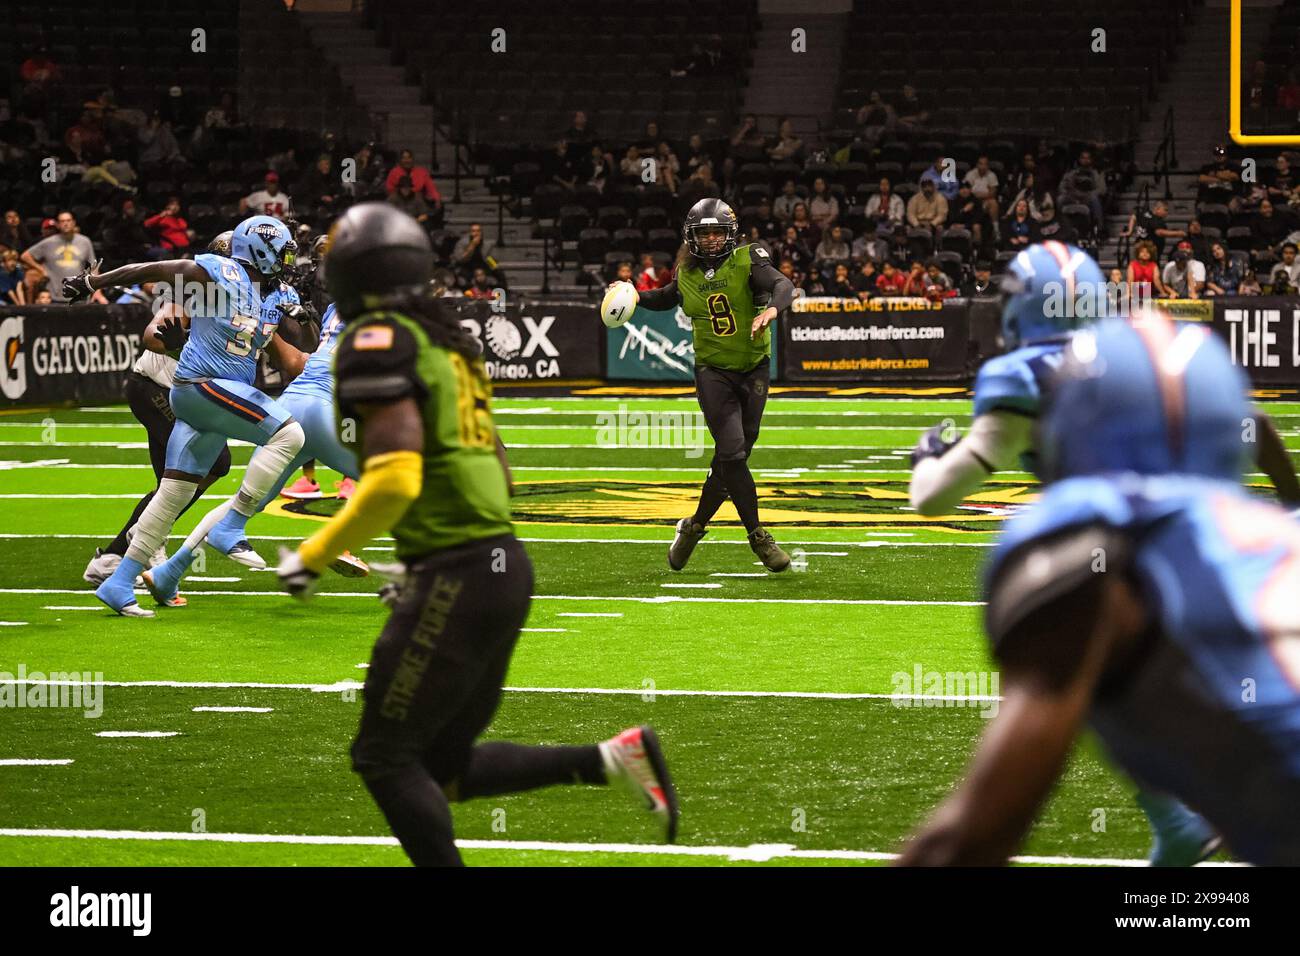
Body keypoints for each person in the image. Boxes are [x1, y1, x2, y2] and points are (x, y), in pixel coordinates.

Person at [275, 203, 678, 865]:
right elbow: (497, 469)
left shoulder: (378, 340)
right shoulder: (447, 343)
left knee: (382, 757)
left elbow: (397, 478)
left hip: (459, 571)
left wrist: (314, 554)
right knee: (441, 766)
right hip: (500, 565)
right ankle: (609, 759)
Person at [899, 311, 1300, 865]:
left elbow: (967, 842)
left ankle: (1175, 825)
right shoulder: (1278, 533)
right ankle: (1175, 824)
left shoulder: (1097, 552)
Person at [66, 216, 305, 616]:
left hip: (210, 392)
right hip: (192, 387)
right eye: (281, 253)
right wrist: (95, 282)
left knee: (173, 492)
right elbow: (156, 270)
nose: (286, 262)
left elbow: (294, 354)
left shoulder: (270, 294)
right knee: (290, 435)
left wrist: (308, 318)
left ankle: (119, 580)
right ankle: (231, 526)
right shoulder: (215, 274)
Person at [624, 198, 795, 572]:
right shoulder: (686, 274)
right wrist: (634, 295)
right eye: (706, 233)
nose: (714, 239)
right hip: (713, 372)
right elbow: (666, 297)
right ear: (693, 237)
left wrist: (771, 309)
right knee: (732, 453)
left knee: (733, 459)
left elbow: (783, 284)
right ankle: (758, 538)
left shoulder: (749, 260)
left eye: (719, 232)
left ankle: (694, 526)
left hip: (754, 369)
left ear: (731, 234)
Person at [82, 232, 236, 590]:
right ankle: (147, 542)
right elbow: (153, 333)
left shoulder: (243, 299)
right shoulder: (199, 291)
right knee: (204, 468)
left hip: (184, 395)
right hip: (156, 390)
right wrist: (175, 344)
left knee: (190, 477)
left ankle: (112, 557)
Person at [20, 211, 105, 304]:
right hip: (55, 297)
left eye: (68, 220)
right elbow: (25, 256)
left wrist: (98, 292)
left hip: (80, 296)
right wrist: (41, 269)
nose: (66, 223)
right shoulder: (48, 242)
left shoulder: (85, 241)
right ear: (58, 224)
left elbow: (94, 268)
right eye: (62, 221)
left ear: (74, 222)